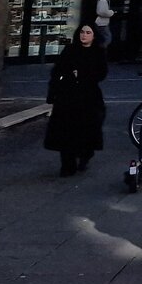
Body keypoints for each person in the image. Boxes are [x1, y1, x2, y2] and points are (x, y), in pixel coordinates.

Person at [44, 24, 108, 176]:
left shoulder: (98, 52)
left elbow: (101, 74)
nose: (84, 35)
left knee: (86, 130)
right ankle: (67, 165)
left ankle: (85, 154)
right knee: (65, 130)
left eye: (88, 32)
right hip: (67, 95)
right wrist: (53, 92)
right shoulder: (70, 50)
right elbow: (57, 70)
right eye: (82, 32)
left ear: (93, 35)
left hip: (88, 97)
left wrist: (82, 75)